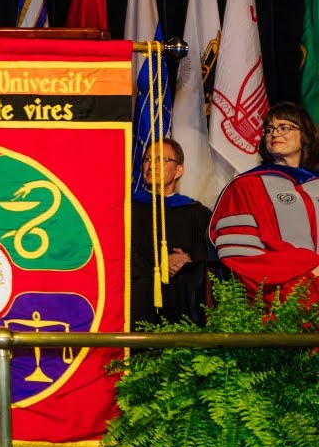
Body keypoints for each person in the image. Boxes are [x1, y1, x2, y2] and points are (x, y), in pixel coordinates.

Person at [210, 101, 319, 306]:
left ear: (304, 135)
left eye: (284, 127)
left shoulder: (315, 184)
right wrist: (309, 271)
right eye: (269, 129)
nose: (274, 133)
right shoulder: (246, 186)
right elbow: (240, 254)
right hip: (283, 298)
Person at [130, 137, 215, 327]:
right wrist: (159, 265)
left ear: (179, 170)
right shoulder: (127, 209)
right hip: (140, 303)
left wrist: (189, 261)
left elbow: (209, 259)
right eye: (147, 159)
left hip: (184, 306)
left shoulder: (198, 213)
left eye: (162, 160)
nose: (152, 165)